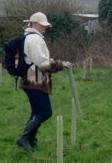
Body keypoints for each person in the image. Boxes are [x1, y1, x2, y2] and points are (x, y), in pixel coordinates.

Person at [16, 12, 71, 150]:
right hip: (35, 80)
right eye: (42, 25)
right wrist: (60, 64)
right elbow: (43, 63)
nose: (45, 27)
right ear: (33, 23)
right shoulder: (35, 39)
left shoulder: (28, 37)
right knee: (45, 112)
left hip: (30, 80)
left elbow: (40, 60)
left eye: (45, 25)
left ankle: (31, 140)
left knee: (37, 112)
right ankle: (24, 138)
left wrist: (58, 63)